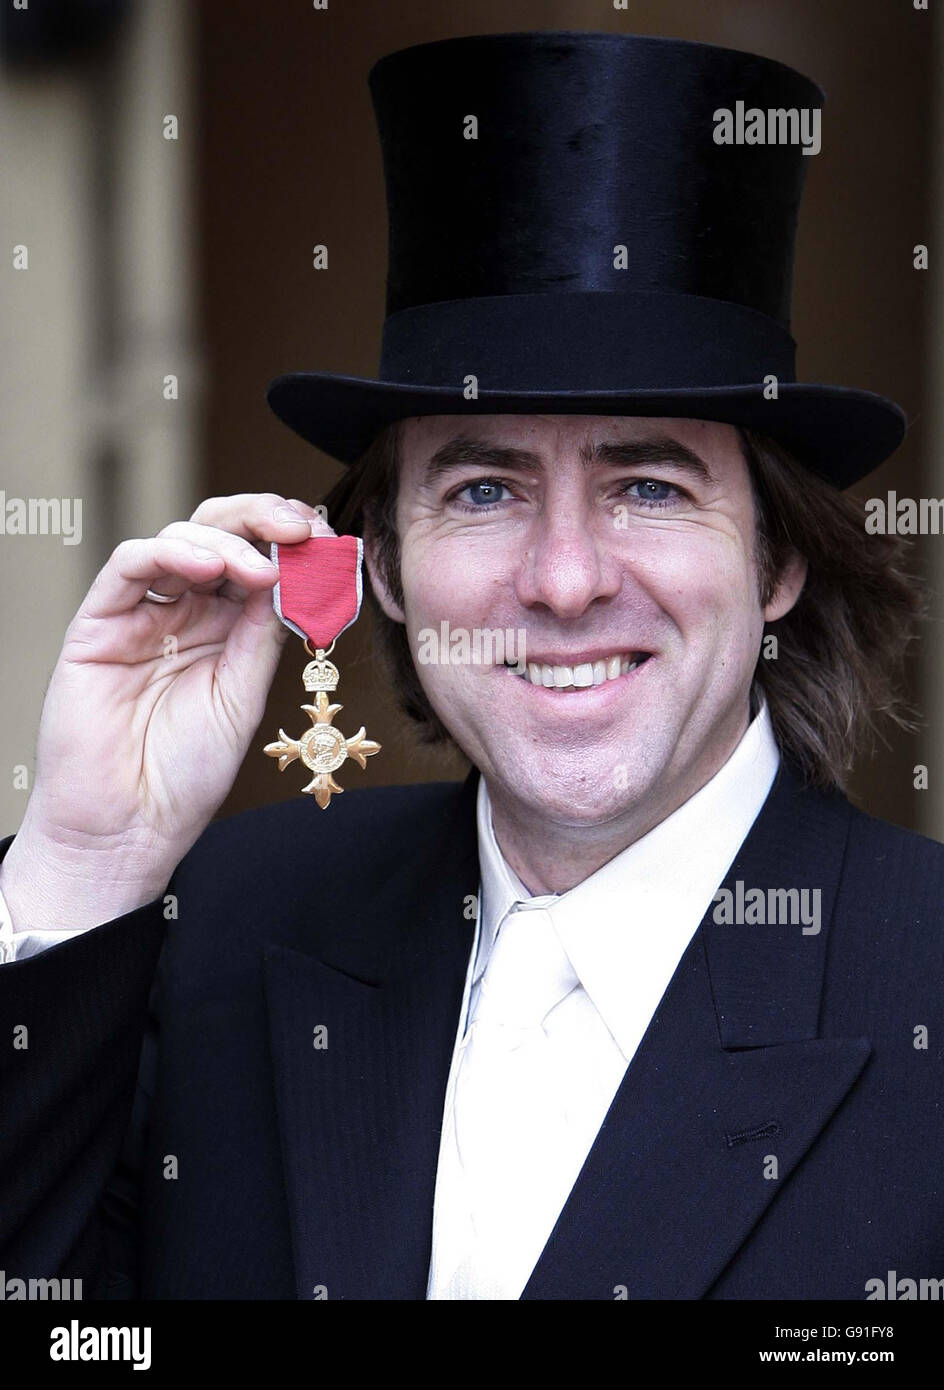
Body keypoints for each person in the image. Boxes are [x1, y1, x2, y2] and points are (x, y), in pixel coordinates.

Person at [0, 31, 941, 1302]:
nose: (562, 579)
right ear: (380, 564)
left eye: (648, 486)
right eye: (486, 487)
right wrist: (84, 860)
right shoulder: (225, 920)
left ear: (777, 562)